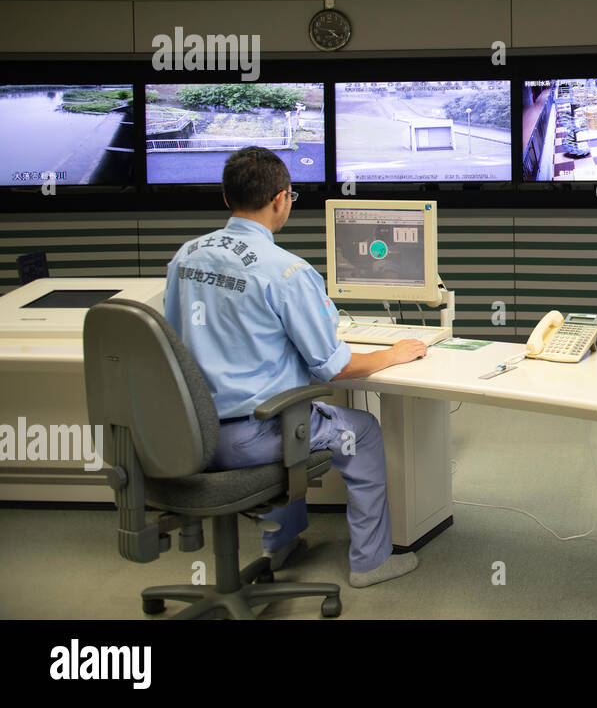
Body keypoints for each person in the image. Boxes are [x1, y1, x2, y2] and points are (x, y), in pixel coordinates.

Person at [164, 146, 426, 588]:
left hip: (189, 434)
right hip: (250, 440)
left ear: (227, 199)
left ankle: (281, 545)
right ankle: (371, 562)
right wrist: (392, 353)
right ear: (281, 199)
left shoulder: (185, 258)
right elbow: (334, 368)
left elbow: (175, 345)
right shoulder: (287, 272)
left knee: (290, 413)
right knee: (359, 431)